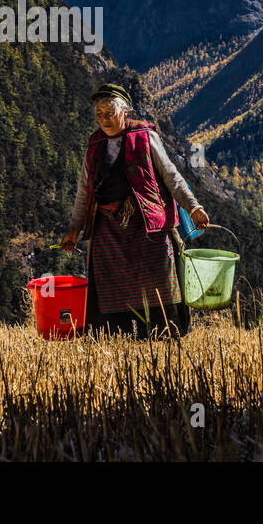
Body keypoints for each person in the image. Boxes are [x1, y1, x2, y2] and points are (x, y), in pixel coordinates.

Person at [61, 83, 209, 339]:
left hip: (147, 224)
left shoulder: (145, 136)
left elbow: (171, 176)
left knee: (159, 278)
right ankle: (114, 335)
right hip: (107, 226)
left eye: (110, 113)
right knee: (110, 284)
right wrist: (75, 228)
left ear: (125, 112)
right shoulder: (95, 146)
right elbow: (84, 192)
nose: (104, 119)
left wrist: (193, 206)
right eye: (99, 114)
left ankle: (165, 333)